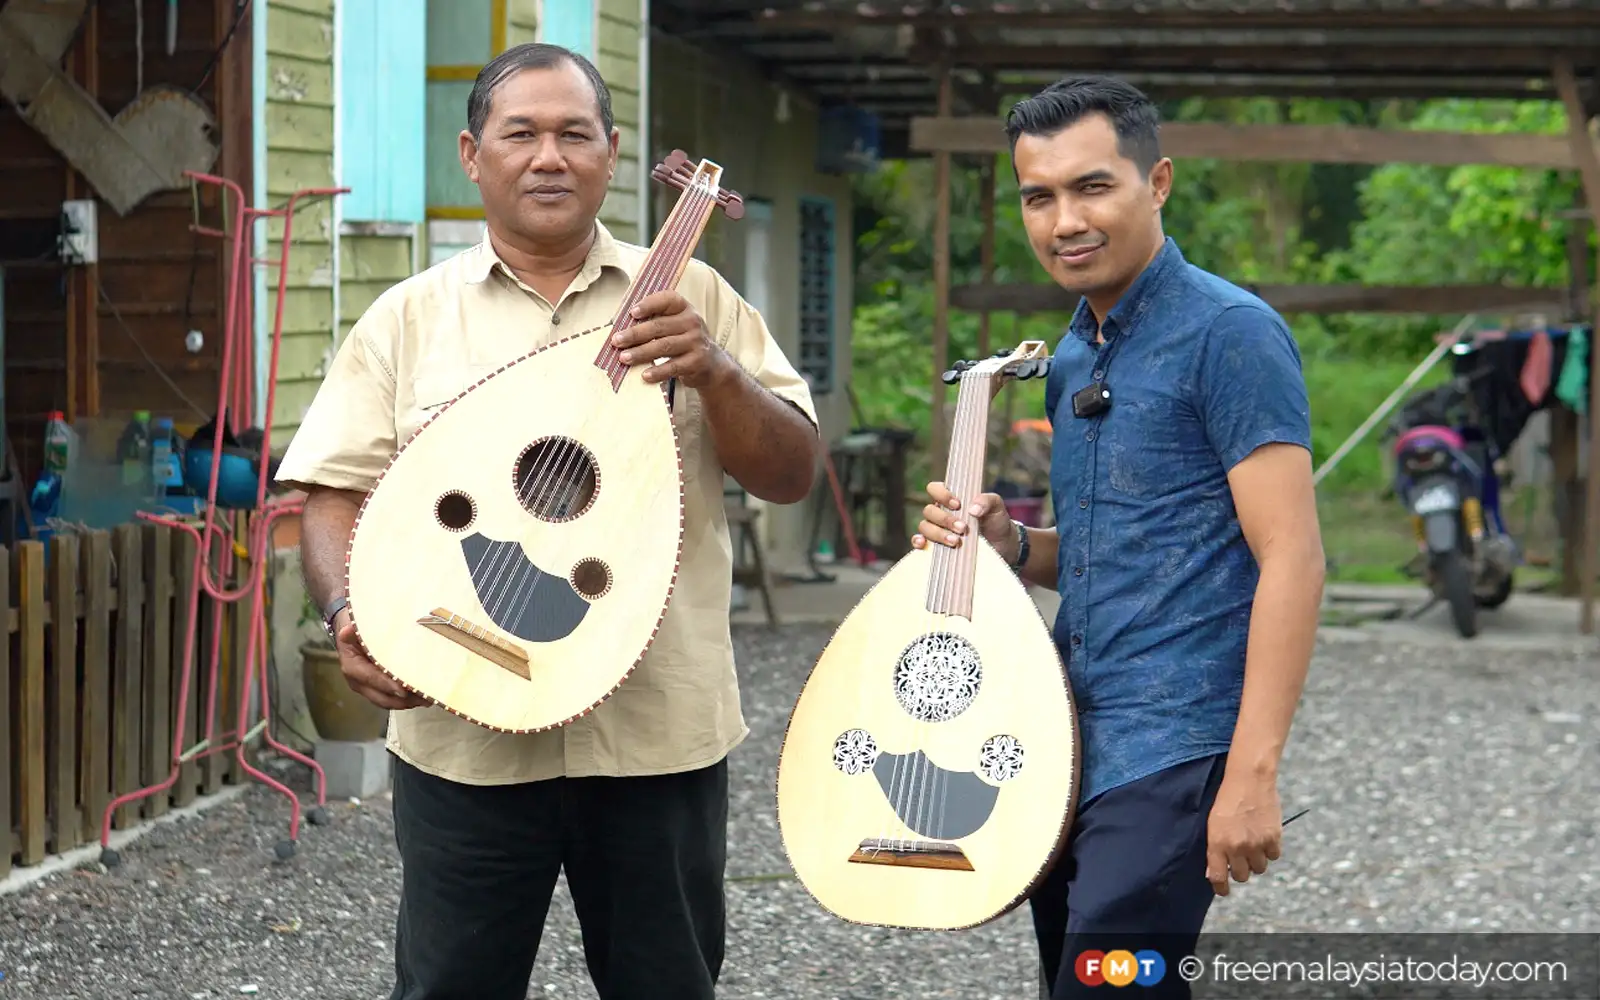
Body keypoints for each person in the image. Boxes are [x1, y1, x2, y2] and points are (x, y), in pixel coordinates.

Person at [273, 43, 821, 1000]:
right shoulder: (408, 321)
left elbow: (793, 472)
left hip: (657, 736)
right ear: (471, 155)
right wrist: (348, 614)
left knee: (668, 985)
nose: (549, 156)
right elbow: (335, 491)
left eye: (575, 134)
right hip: (463, 733)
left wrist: (716, 372)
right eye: (519, 133)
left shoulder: (691, 298)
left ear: (612, 154)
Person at [912, 76, 1324, 997]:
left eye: (1093, 186)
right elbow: (1115, 549)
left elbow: (1292, 556)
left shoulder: (1231, 334)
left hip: (1174, 747)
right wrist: (1011, 542)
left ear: (1159, 181)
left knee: (1105, 981)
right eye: (1039, 196)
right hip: (1064, 733)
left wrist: (1252, 774)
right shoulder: (1070, 356)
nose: (1066, 220)